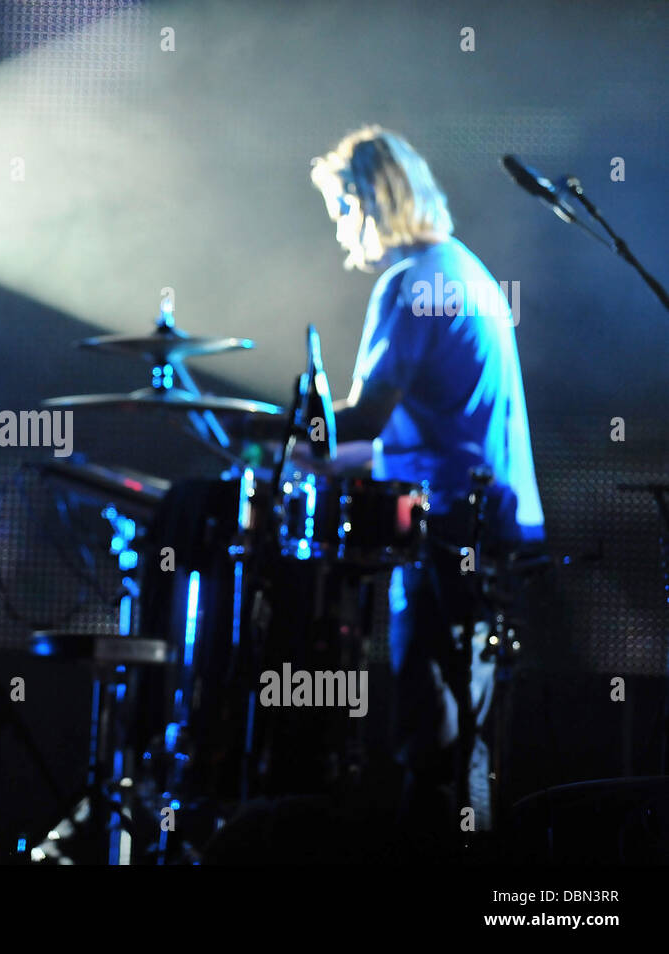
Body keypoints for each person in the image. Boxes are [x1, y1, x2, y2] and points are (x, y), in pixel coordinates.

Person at [308, 126, 545, 835]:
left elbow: (365, 421)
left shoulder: (411, 284)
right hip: (494, 524)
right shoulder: (466, 271)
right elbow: (430, 433)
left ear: (368, 199)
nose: (340, 226)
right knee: (462, 734)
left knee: (431, 732)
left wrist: (287, 434)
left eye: (341, 208)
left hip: (445, 532)